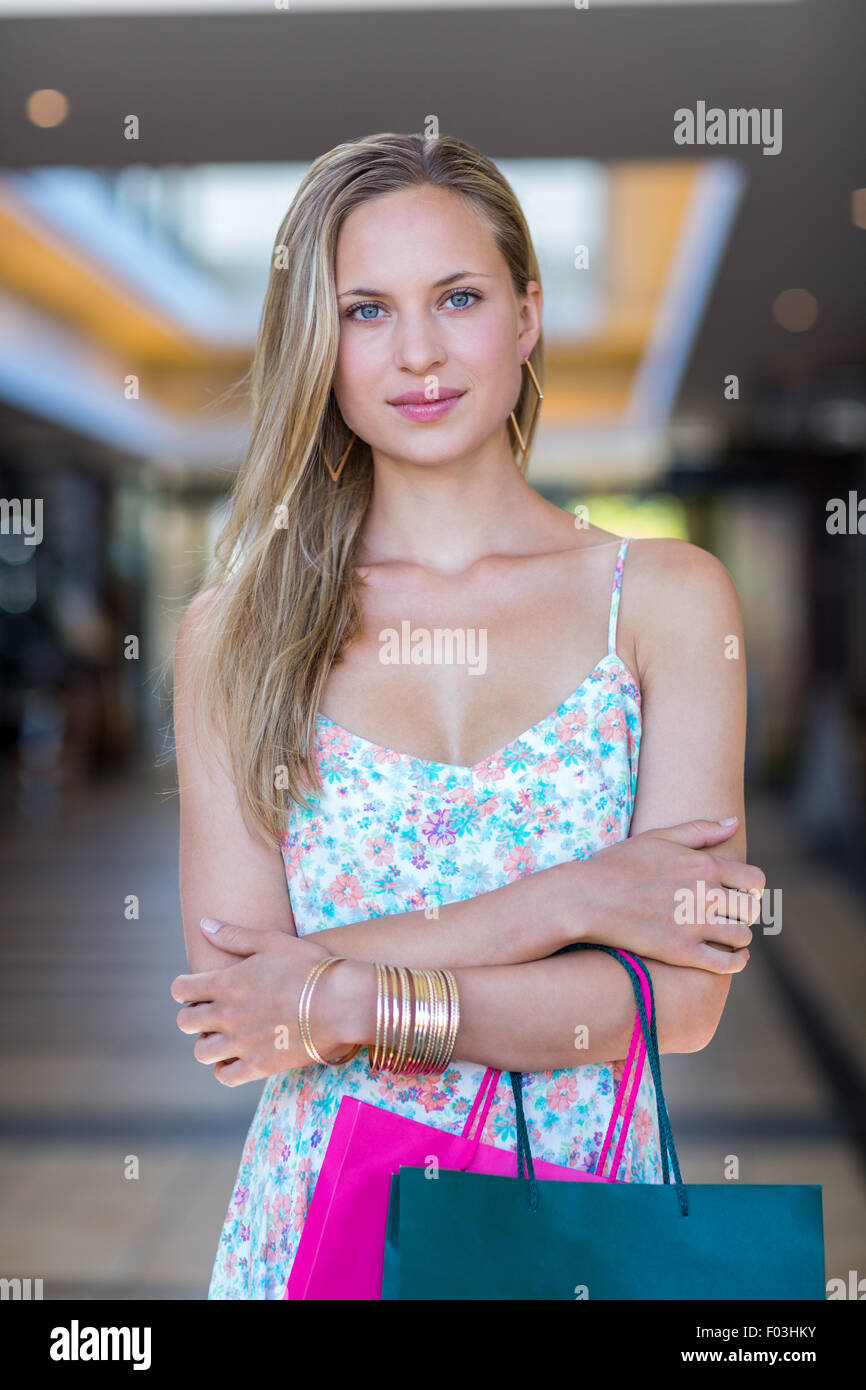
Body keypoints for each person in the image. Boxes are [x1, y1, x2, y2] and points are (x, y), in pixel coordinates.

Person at [170, 131, 764, 1300]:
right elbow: (240, 1006)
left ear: (528, 315)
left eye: (457, 296)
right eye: (366, 311)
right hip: (318, 1230)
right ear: (318, 345)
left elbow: (681, 1005)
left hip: (585, 1229)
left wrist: (341, 999)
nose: (421, 354)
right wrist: (570, 902)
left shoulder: (662, 599)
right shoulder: (231, 633)